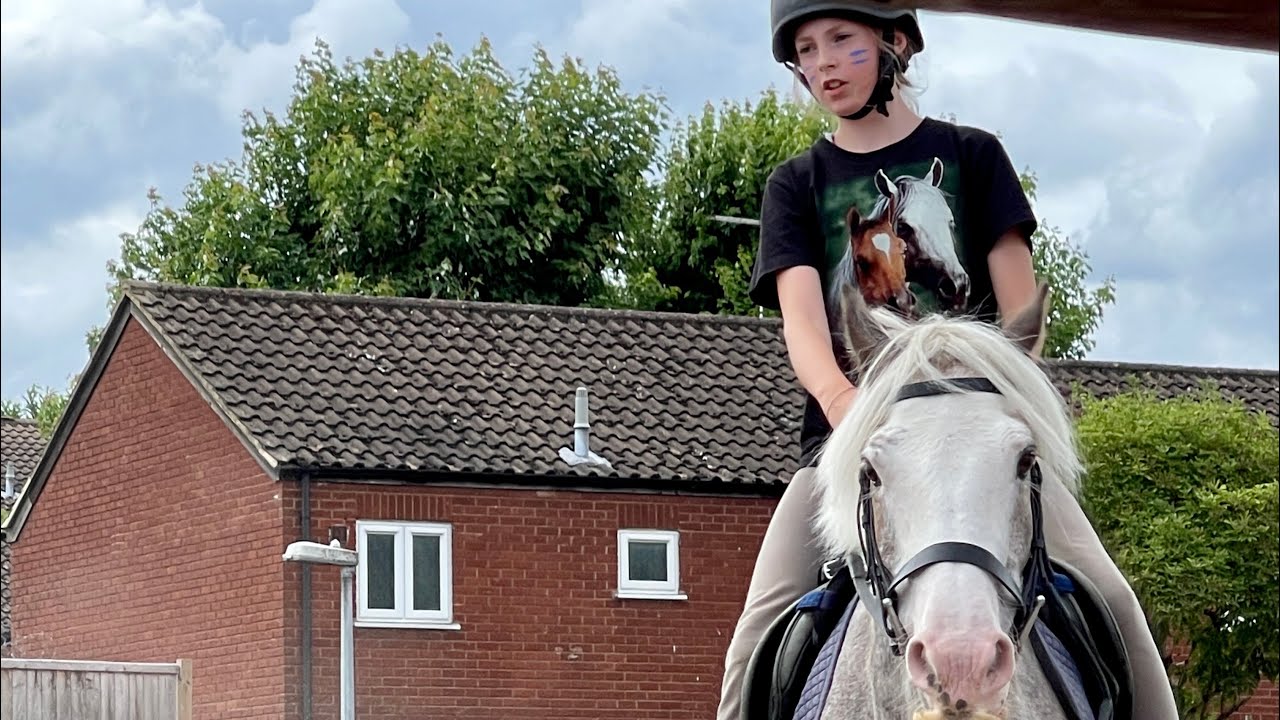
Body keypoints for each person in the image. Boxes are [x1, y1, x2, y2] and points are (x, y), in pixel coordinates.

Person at [716, 2, 1180, 719]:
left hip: (979, 442)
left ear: (896, 43)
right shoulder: (795, 184)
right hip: (852, 443)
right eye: (805, 50)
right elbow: (805, 328)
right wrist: (853, 415)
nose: (823, 64)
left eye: (842, 39)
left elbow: (1020, 311)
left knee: (1114, 600)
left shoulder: (974, 156)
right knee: (756, 631)